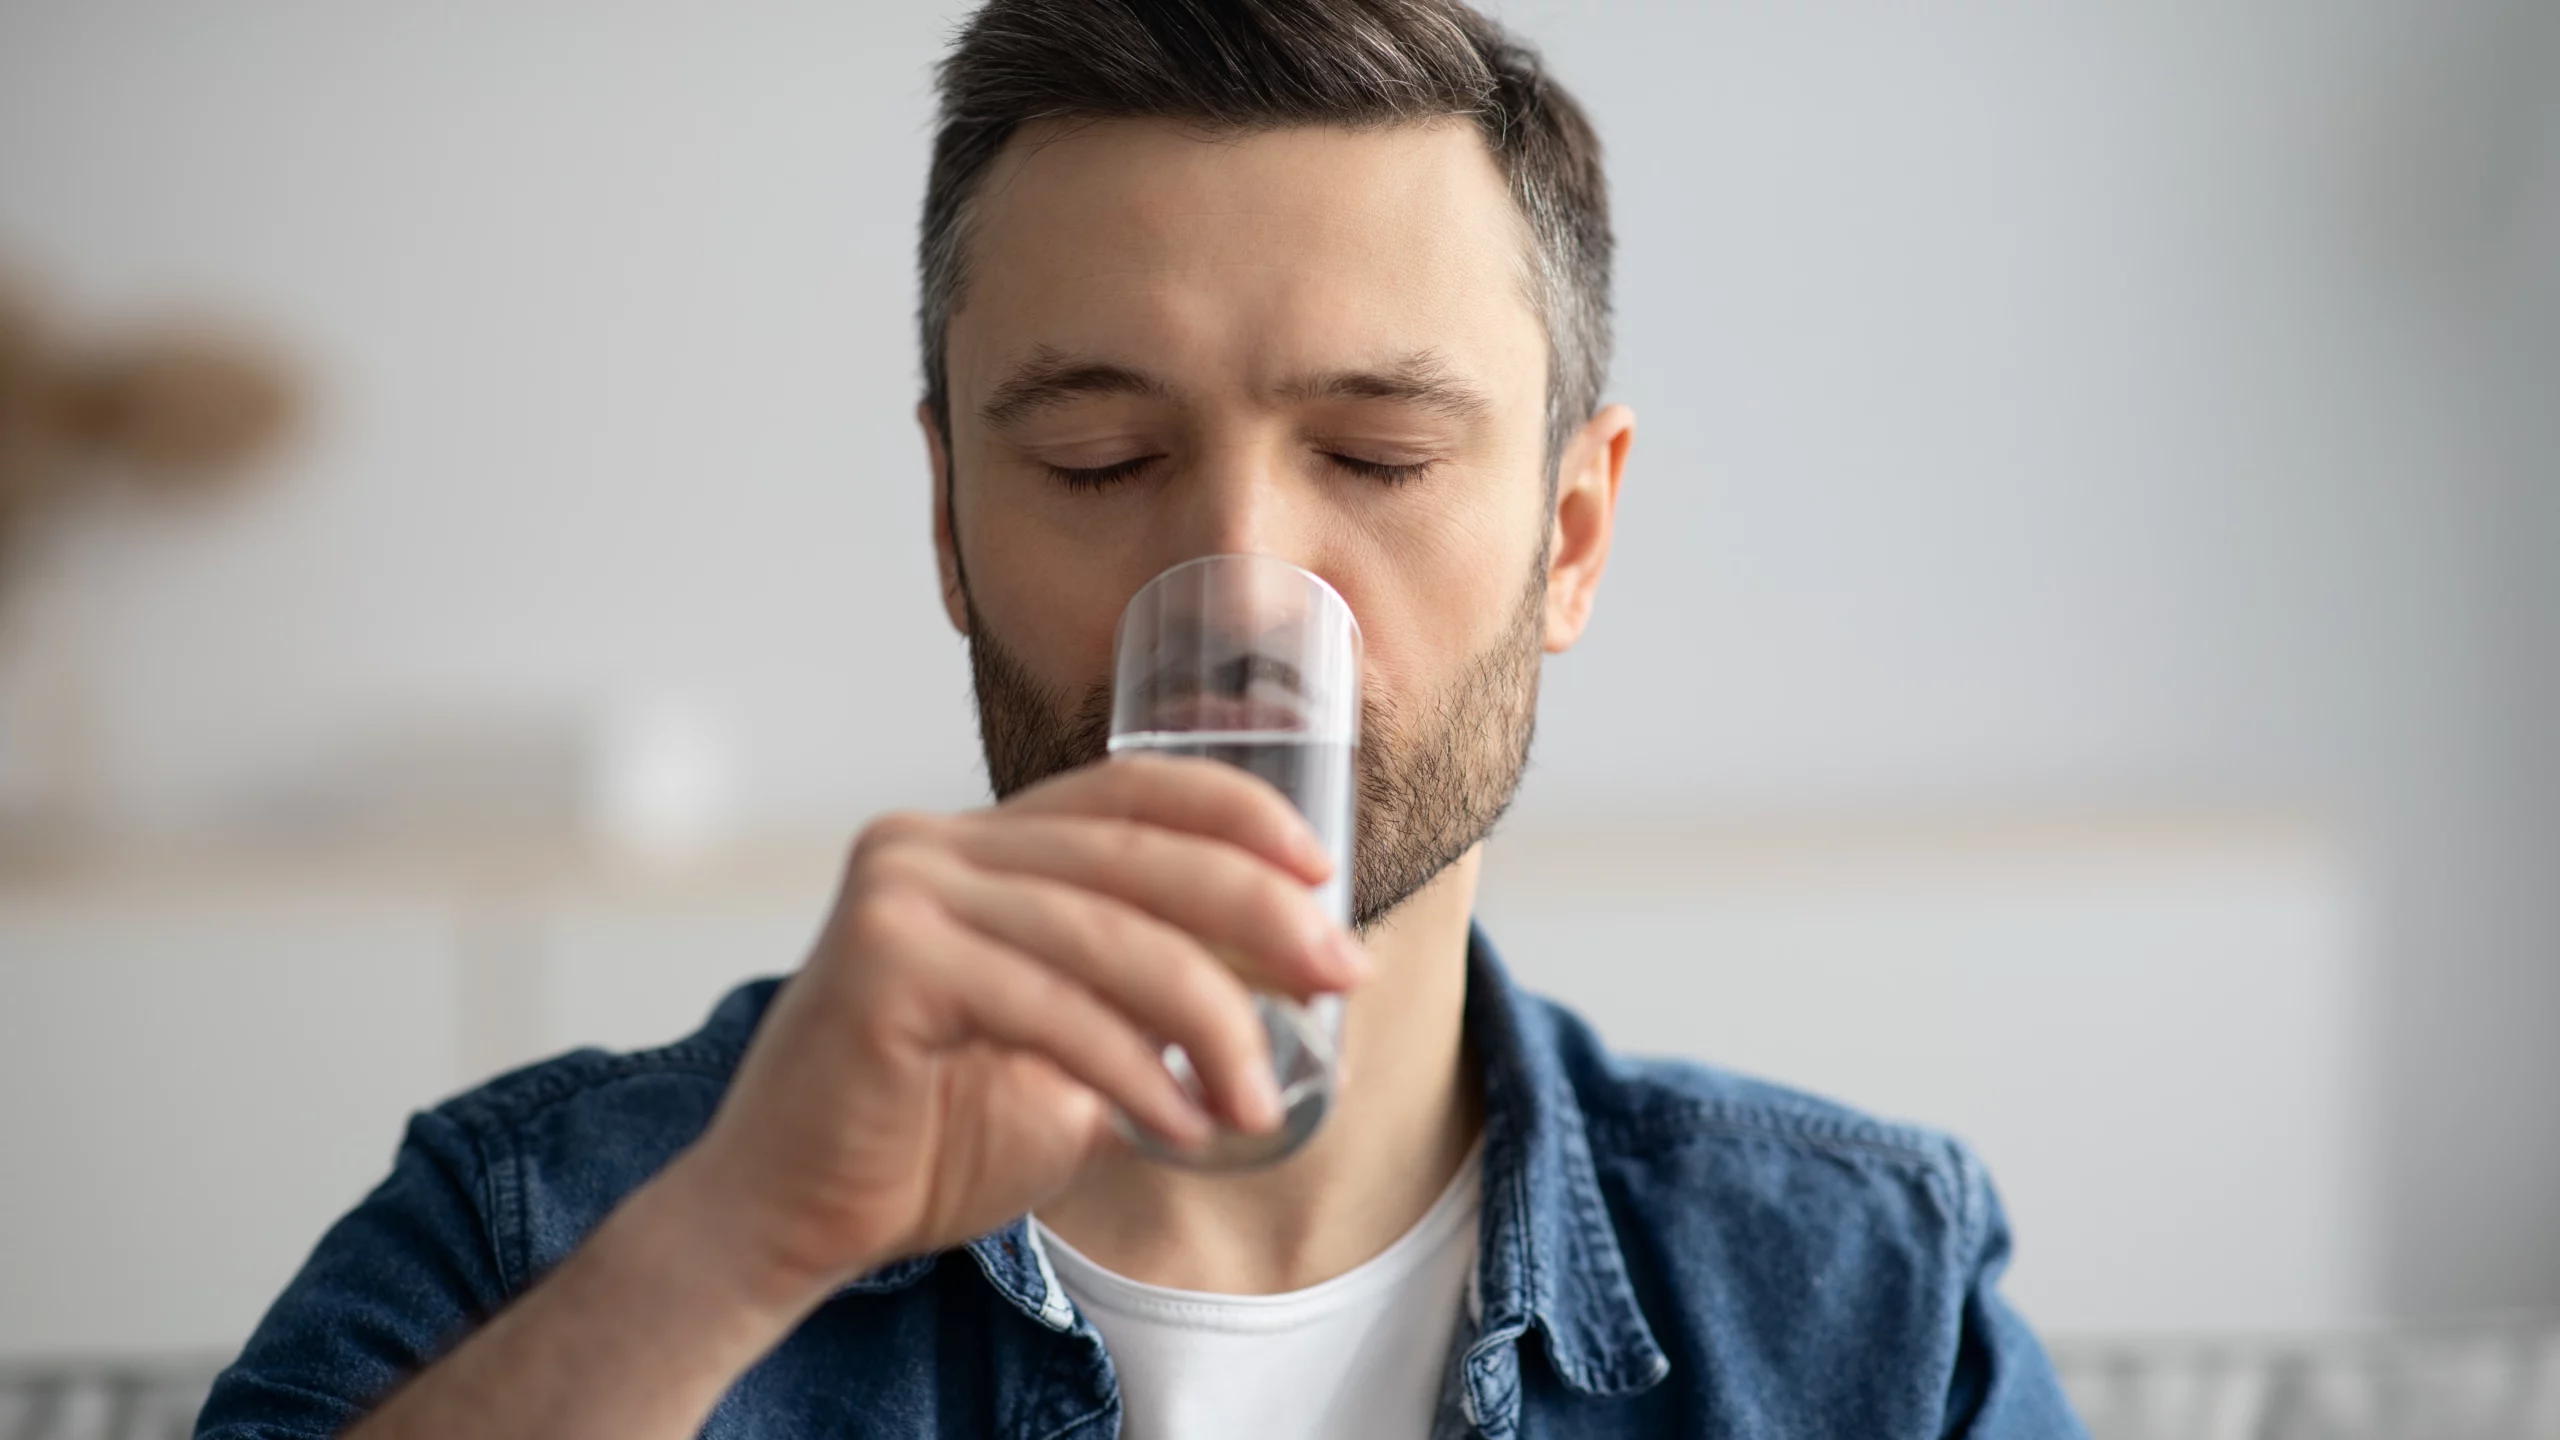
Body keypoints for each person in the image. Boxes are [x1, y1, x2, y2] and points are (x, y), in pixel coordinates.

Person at [197, 1, 2087, 1436]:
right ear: (950, 523)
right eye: (1103, 461)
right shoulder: (551, 1233)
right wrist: (731, 1253)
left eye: (1374, 453)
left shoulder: (1865, 1309)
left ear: (1571, 537)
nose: (1253, 584)